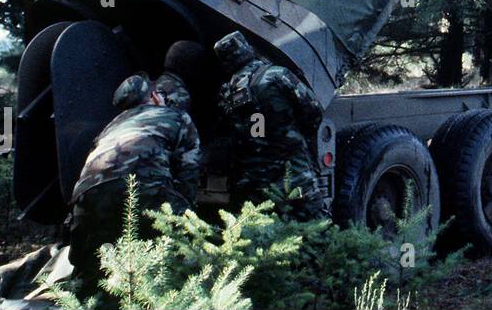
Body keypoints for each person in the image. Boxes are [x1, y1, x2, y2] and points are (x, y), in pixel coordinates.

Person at [68, 74, 202, 279]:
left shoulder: (109, 127)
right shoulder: (175, 116)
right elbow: (189, 169)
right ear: (155, 97)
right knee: (190, 256)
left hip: (86, 196)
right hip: (144, 187)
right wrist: (188, 217)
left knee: (91, 270)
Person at [214, 31, 327, 220]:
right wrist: (299, 136)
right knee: (314, 227)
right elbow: (313, 110)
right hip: (293, 170)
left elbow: (229, 134)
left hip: (254, 178)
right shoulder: (277, 75)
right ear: (247, 49)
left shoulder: (226, 92)